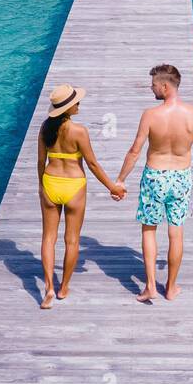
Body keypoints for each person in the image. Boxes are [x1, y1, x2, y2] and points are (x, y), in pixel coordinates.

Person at [115, 64, 193, 302]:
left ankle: (150, 287)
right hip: (180, 177)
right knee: (176, 234)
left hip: (154, 177)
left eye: (154, 84)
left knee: (149, 230)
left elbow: (135, 151)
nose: (151, 87)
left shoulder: (151, 115)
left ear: (165, 86)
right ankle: (171, 287)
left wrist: (120, 180)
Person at [38, 84, 125, 308]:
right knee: (72, 240)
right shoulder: (79, 131)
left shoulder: (45, 128)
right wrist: (112, 188)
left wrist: (41, 185)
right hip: (74, 186)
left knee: (48, 238)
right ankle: (63, 287)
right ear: (67, 108)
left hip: (50, 182)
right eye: (76, 102)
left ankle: (48, 286)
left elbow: (41, 162)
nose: (79, 104)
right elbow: (93, 165)